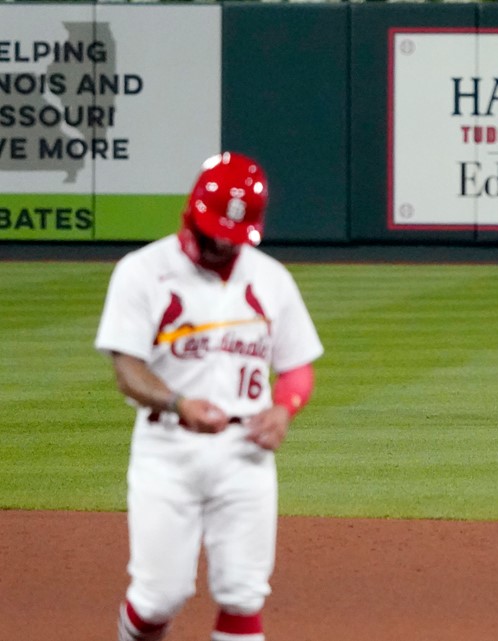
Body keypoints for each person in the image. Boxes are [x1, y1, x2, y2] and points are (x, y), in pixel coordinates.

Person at [95, 152, 324, 641]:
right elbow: (127, 370)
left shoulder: (270, 279)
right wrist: (179, 403)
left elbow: (298, 366)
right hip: (167, 451)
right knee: (159, 599)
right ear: (191, 212)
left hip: (246, 455)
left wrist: (286, 408)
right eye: (215, 230)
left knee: (243, 593)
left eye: (234, 236)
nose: (224, 243)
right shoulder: (142, 271)